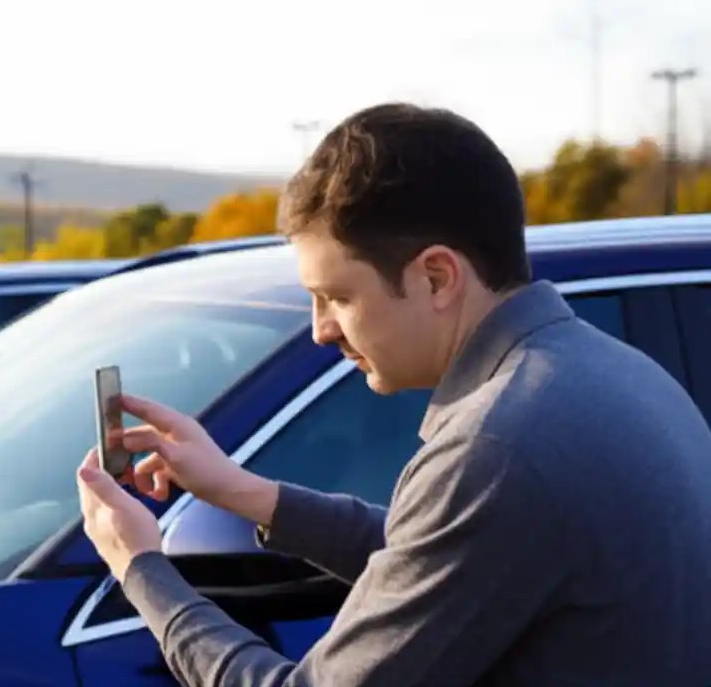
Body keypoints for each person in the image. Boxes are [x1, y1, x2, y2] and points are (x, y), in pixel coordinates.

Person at [75, 103, 711, 686]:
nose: (321, 329)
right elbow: (434, 559)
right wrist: (245, 494)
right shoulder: (622, 374)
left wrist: (141, 570)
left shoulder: (495, 448)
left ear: (437, 276)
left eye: (338, 297)